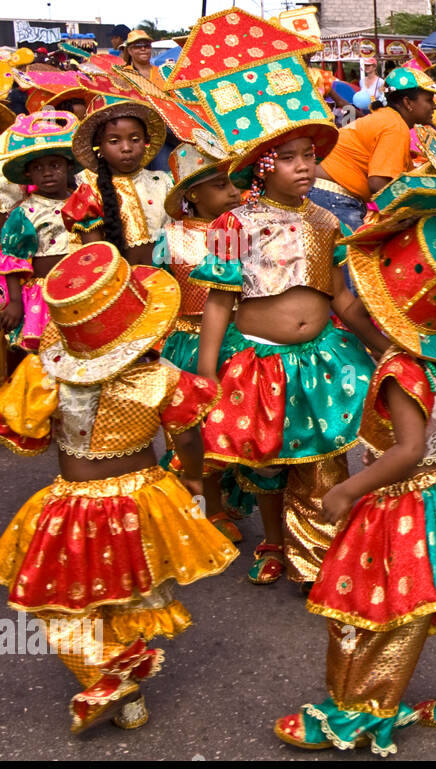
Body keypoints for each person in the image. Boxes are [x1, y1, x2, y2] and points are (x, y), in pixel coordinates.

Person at [274, 214, 436, 756]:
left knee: (381, 609)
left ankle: (360, 712)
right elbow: (352, 311)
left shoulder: (400, 370)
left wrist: (349, 490)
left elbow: (408, 450)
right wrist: (342, 256)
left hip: (410, 500)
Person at [180, 25, 390, 587]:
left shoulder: (326, 219)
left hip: (322, 358)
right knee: (267, 463)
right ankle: (273, 542)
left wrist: (381, 345)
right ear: (261, 167)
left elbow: (341, 297)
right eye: (289, 157)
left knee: (323, 459)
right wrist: (207, 372)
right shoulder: (233, 224)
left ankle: (320, 556)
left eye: (310, 156)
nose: (305, 167)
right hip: (261, 361)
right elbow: (219, 301)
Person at [0, 242, 237, 733]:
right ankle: (122, 689)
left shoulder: (46, 376)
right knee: (129, 595)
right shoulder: (163, 379)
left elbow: (29, 439)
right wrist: (193, 476)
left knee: (62, 601)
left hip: (74, 504)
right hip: (144, 500)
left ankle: (109, 679)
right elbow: (187, 438)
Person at [152, 143, 248, 540]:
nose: (233, 192)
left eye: (234, 184)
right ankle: (207, 508)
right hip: (186, 344)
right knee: (194, 428)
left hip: (235, 342)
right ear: (192, 194)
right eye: (221, 185)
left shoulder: (235, 231)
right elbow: (159, 291)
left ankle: (226, 496)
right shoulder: (170, 236)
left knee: (231, 425)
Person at [312, 67, 436, 235]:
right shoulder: (395, 126)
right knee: (356, 251)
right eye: (429, 100)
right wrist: (410, 213)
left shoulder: (387, 118)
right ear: (408, 103)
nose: (434, 106)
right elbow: (378, 183)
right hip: (333, 197)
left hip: (324, 193)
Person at [0, 111, 79, 360]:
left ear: (68, 166)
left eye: (55, 165)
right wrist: (15, 302)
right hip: (43, 295)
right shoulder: (23, 213)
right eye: (38, 168)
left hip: (79, 289)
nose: (47, 173)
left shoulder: (83, 202)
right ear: (28, 175)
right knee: (44, 355)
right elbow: (12, 260)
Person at [61, 95, 171, 268]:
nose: (126, 148)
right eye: (114, 141)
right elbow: (95, 258)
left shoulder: (164, 182)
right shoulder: (90, 192)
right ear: (100, 147)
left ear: (146, 141)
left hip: (165, 279)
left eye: (135, 139)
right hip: (119, 279)